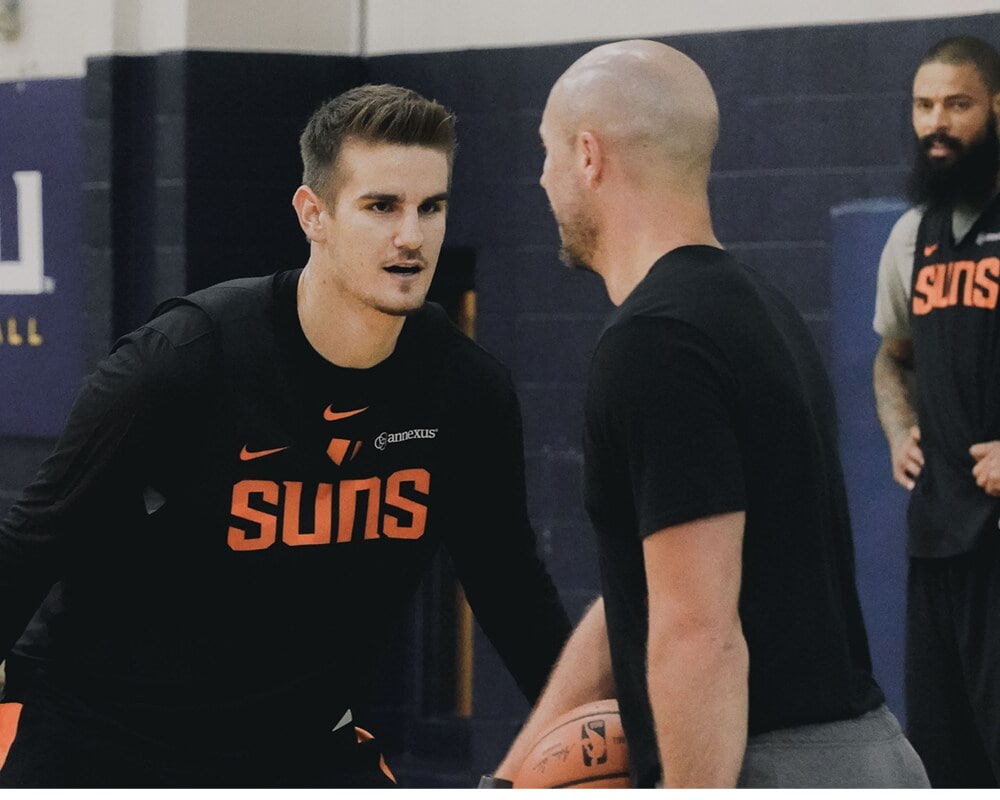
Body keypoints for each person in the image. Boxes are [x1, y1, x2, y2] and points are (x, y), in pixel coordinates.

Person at [0, 83, 571, 788]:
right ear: (314, 215)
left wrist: (615, 727)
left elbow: (511, 588)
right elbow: (30, 542)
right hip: (111, 746)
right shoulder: (184, 361)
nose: (411, 237)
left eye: (432, 207)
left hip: (298, 748)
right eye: (381, 206)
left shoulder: (465, 391)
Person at [481, 39, 930, 789]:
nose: (543, 177)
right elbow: (649, 592)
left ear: (588, 156)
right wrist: (512, 777)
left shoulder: (656, 342)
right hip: (860, 756)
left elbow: (700, 636)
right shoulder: (756, 308)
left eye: (547, 153)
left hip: (774, 764)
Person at [872, 35, 1000, 788]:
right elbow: (893, 355)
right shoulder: (908, 237)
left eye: (957, 104)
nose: (937, 123)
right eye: (924, 106)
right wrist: (897, 426)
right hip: (939, 545)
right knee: (944, 767)